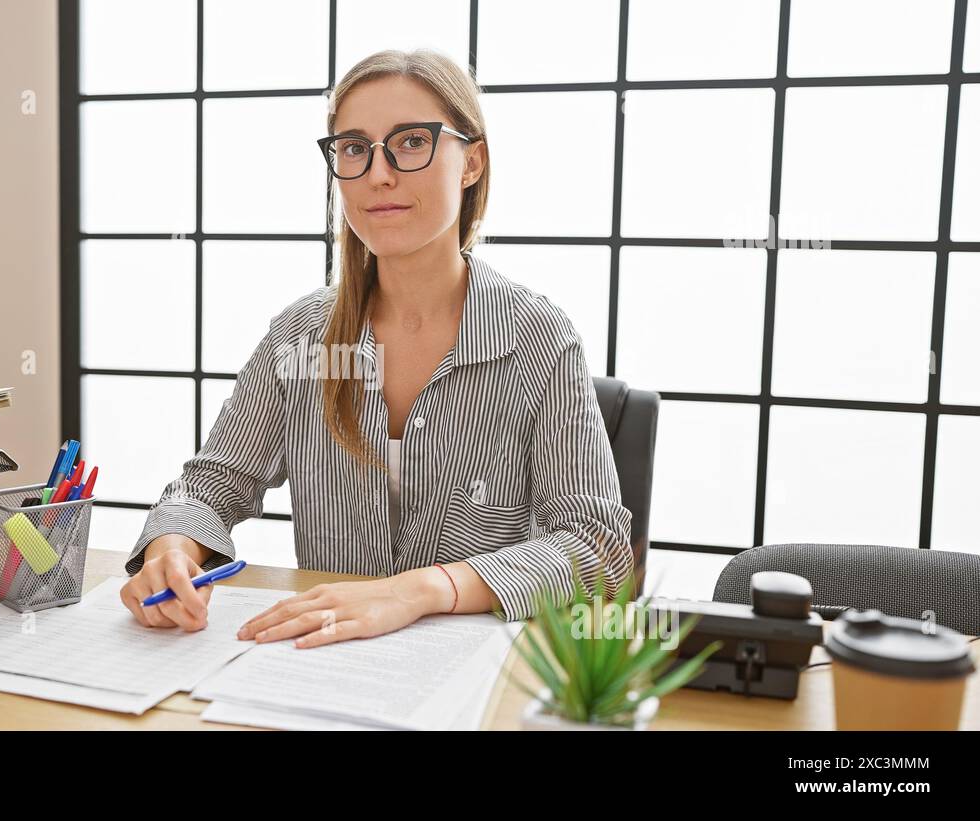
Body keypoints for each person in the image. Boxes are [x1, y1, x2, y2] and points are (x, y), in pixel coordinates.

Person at [118, 48, 633, 648]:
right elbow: (213, 485)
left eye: (411, 142)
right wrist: (173, 547)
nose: (378, 174)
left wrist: (416, 591)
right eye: (354, 148)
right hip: (319, 664)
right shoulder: (303, 339)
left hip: (466, 676)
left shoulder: (537, 339)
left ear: (472, 162)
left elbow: (596, 547)